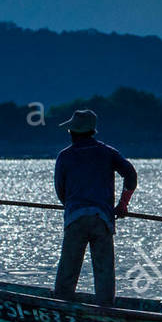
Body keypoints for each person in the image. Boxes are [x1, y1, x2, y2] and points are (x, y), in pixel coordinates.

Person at [52, 108, 138, 305]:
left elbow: (60, 189)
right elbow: (130, 175)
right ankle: (106, 309)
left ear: (73, 133)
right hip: (103, 219)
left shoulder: (65, 156)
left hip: (76, 219)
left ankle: (61, 306)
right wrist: (122, 205)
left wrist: (71, 206)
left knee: (68, 270)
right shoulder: (108, 153)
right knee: (104, 271)